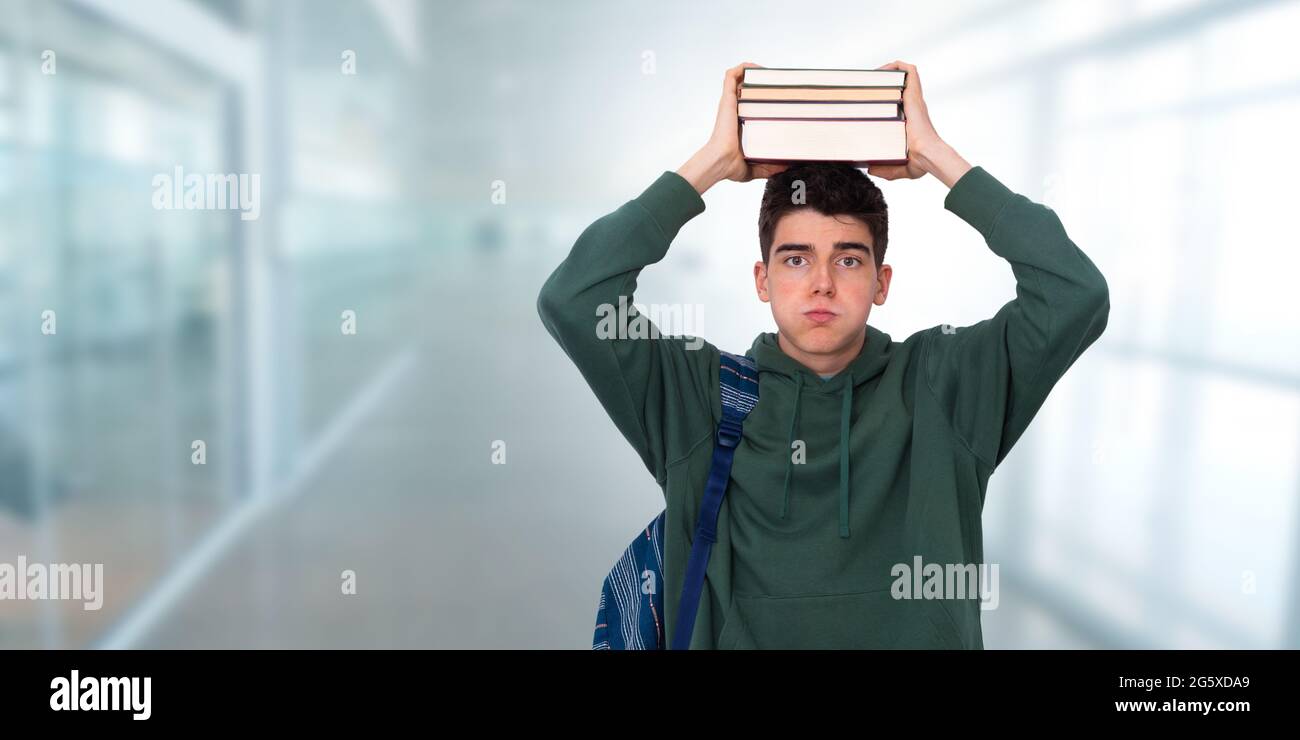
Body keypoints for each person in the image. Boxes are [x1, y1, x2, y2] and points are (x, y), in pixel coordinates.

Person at [537, 61, 1109, 648]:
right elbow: (575, 297)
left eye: (848, 259)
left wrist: (937, 155)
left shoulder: (948, 383)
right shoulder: (698, 395)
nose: (821, 283)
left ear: (882, 282)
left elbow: (1074, 294)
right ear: (762, 279)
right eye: (795, 258)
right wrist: (710, 163)